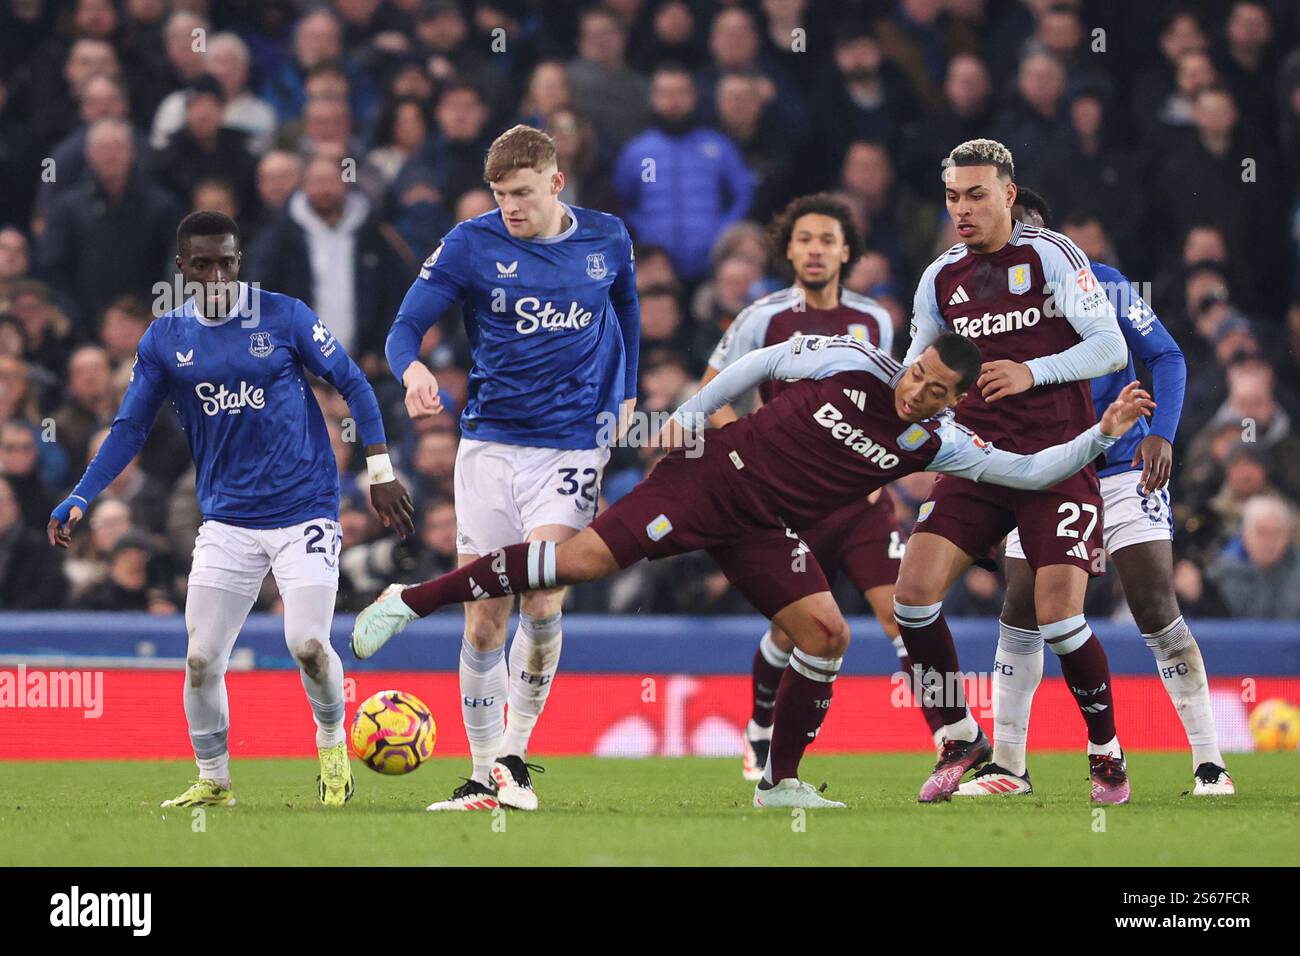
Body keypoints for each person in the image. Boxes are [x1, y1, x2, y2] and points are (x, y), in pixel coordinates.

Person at [352, 332, 1154, 810]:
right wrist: (689, 422)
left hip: (765, 528)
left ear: (952, 401)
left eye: (936, 393)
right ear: (911, 361)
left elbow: (1029, 468)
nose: (917, 394)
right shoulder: (852, 361)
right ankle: (412, 598)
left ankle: (780, 783)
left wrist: (1105, 434)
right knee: (574, 563)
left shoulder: (937, 442)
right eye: (918, 376)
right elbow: (751, 363)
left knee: (827, 632)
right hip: (709, 479)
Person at [47, 211, 414, 810]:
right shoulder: (165, 339)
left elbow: (355, 384)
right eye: (203, 264)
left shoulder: (285, 315)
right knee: (198, 657)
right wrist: (83, 493)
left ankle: (329, 740)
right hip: (228, 521)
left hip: (305, 512)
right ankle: (214, 779)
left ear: (240, 260)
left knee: (308, 645)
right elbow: (129, 427)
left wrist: (380, 472)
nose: (217, 274)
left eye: (228, 261)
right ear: (182, 268)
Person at [384, 125, 640, 812]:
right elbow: (404, 326)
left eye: (523, 193)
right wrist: (410, 369)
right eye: (501, 195)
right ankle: (480, 772)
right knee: (485, 618)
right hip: (489, 447)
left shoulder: (607, 238)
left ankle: (515, 756)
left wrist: (627, 391)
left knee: (544, 589)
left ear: (557, 184)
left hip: (571, 445)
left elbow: (626, 305)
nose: (511, 208)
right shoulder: (471, 243)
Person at [964, 187, 1232, 799]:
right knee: (1021, 607)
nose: (1021, 241)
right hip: (1034, 471)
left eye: (1028, 227)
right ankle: (1009, 766)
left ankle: (1210, 763)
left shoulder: (1102, 284)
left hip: (1117, 469)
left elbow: (1165, 354)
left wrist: (1160, 434)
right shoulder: (979, 301)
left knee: (1154, 604)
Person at [895, 139, 1132, 804]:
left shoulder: (1050, 255)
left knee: (1058, 619)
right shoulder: (941, 276)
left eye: (975, 195)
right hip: (977, 462)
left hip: (1058, 461)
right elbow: (917, 364)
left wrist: (1033, 371)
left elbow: (1110, 347)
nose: (962, 209)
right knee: (911, 597)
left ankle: (1105, 750)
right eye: (952, 197)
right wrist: (903, 415)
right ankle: (958, 733)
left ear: (1007, 194)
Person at [700, 193, 943, 779]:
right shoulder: (762, 317)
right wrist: (752, 455)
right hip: (793, 505)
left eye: (827, 240)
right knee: (791, 631)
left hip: (860, 501)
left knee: (903, 613)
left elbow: (892, 399)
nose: (815, 250)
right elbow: (713, 391)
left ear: (846, 252)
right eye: (805, 238)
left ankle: (949, 739)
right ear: (788, 248)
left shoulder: (876, 319)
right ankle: (760, 730)